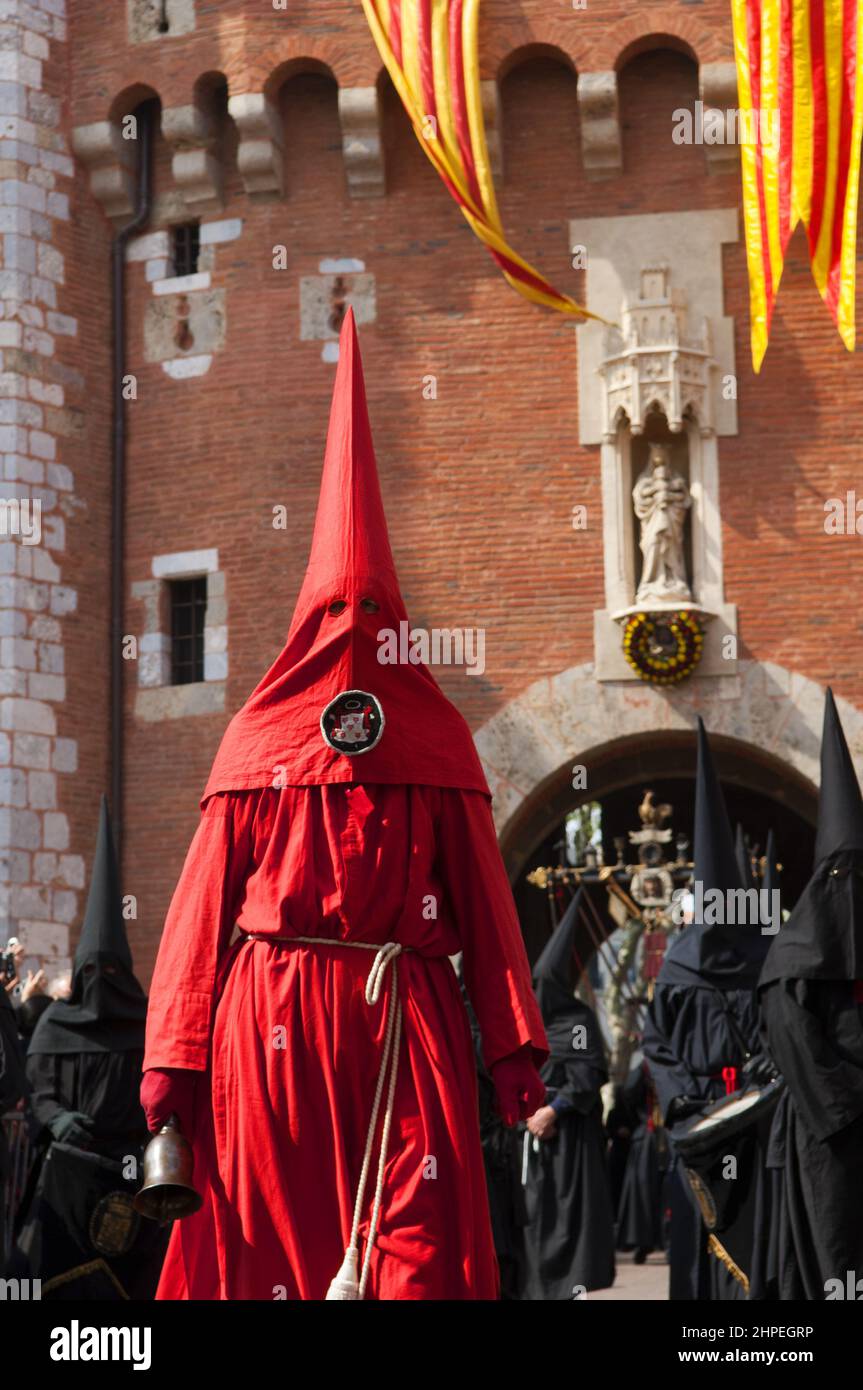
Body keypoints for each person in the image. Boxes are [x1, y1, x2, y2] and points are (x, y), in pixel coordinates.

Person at [141, 310, 548, 1301]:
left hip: (398, 1028)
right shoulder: (254, 742)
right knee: (276, 1256)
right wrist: (170, 1079)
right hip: (272, 1037)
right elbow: (199, 922)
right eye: (337, 614)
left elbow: (488, 918)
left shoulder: (433, 744)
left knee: (407, 1262)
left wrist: (516, 1063)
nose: (353, 636)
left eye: (368, 614)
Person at [10, 797, 165, 1299]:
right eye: (92, 973)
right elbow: (35, 1093)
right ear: (79, 976)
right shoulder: (56, 1023)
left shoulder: (149, 1025)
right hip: (66, 1173)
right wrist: (55, 1119)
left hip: (131, 1172)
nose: (102, 983)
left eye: (111, 973)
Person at [643, 719, 771, 1299]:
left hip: (755, 1119)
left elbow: (777, 1035)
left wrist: (763, 1079)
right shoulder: (675, 972)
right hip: (697, 1123)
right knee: (697, 1241)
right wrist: (682, 1102)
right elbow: (655, 1044)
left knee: (753, 1234)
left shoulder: (761, 966)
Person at [758, 689, 863, 1299]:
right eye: (841, 876)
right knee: (836, 1257)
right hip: (831, 1133)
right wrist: (847, 1107)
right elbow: (794, 1039)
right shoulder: (795, 956)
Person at [516, 888, 616, 1299]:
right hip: (529, 1135)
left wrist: (553, 1111)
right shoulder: (525, 1016)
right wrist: (525, 1111)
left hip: (570, 1137)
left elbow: (587, 1074)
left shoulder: (577, 1021)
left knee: (569, 1222)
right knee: (533, 1220)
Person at [615, 1058, 669, 1263]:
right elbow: (627, 1093)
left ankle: (669, 1240)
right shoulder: (644, 1068)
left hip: (670, 1133)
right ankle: (643, 1241)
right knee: (644, 1193)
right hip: (650, 1136)